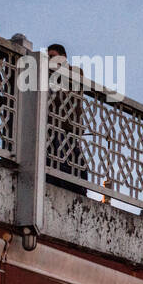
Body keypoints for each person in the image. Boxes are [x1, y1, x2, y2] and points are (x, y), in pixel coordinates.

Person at [43, 44, 88, 195]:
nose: (50, 59)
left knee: (69, 158)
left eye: (53, 56)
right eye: (48, 56)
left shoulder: (73, 72)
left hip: (67, 126)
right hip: (52, 125)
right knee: (56, 158)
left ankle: (78, 188)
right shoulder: (46, 74)